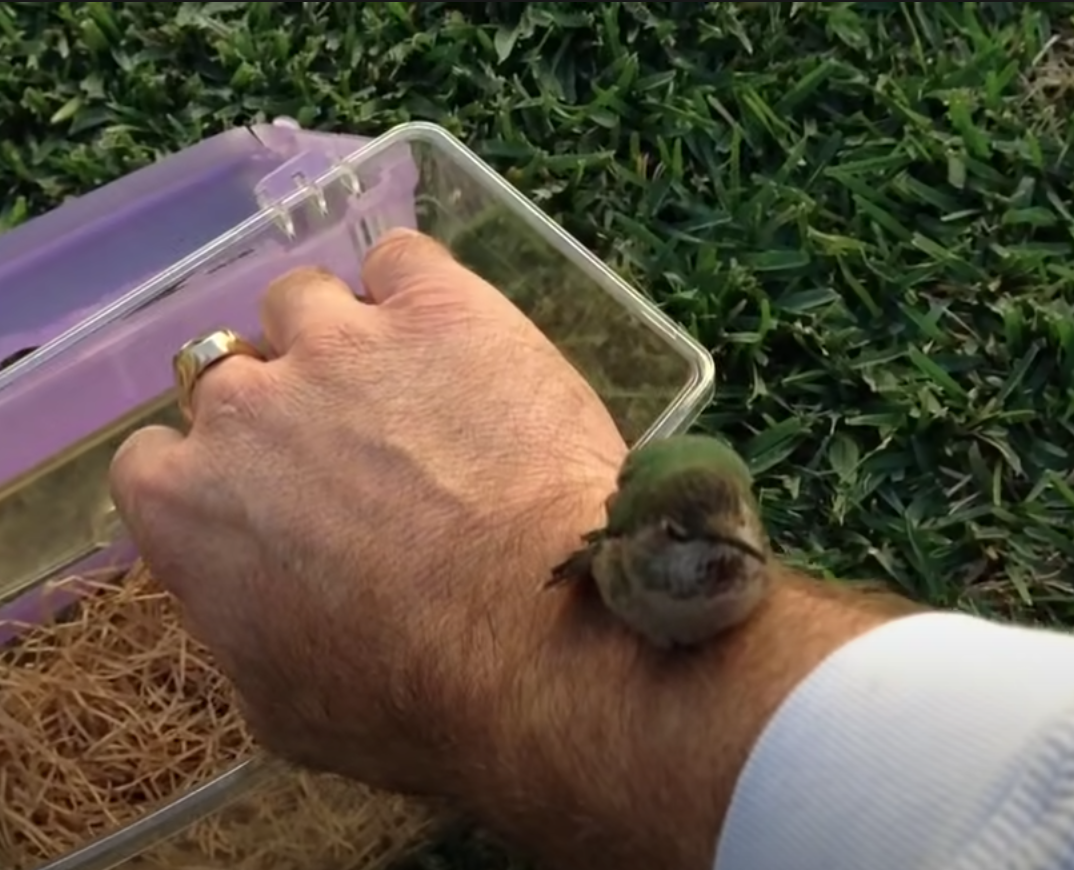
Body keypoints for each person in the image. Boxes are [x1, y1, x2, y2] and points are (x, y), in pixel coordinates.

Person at [109, 228, 1074, 870]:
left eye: (745, 547)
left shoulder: (724, 562)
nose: (740, 561)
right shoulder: (617, 561)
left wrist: (497, 641)